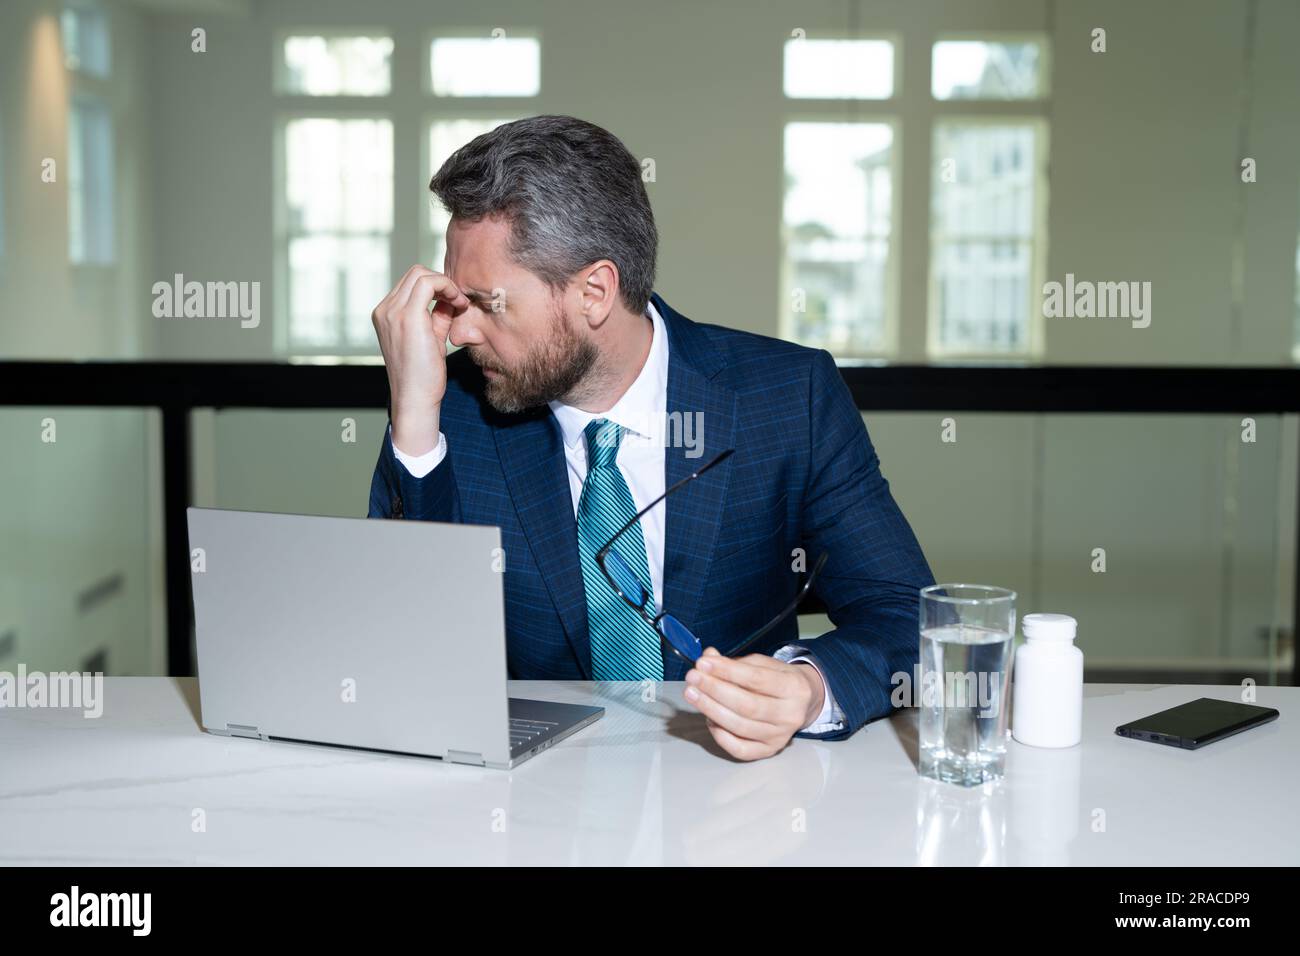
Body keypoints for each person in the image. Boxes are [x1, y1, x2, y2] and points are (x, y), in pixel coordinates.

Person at [369, 115, 934, 761]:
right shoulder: (452, 413)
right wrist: (413, 414)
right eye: (452, 301)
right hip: (528, 803)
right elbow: (401, 652)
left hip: (736, 796)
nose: (458, 334)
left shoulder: (787, 397)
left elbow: (908, 618)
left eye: (485, 303)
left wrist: (810, 688)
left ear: (595, 291)